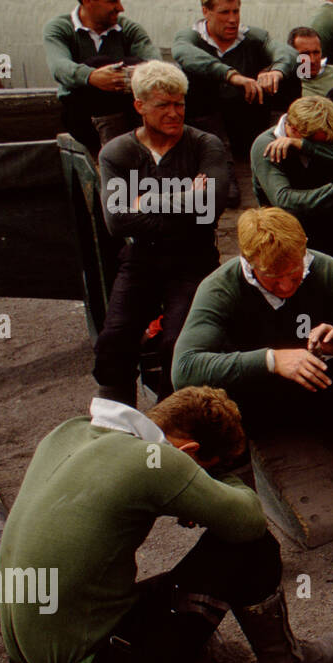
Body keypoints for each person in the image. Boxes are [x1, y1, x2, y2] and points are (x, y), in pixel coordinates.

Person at [1, 386, 333, 663]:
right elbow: (248, 521)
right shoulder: (157, 459)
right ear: (190, 450)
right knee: (250, 548)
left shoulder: (70, 432)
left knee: (165, 590)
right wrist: (211, 483)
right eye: (203, 467)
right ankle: (284, 662)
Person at [171, 208, 333, 571]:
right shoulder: (220, 286)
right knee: (200, 406)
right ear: (248, 262)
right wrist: (270, 360)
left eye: (294, 273)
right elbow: (184, 368)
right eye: (272, 278)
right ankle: (243, 532)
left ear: (304, 251)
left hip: (317, 390)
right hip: (256, 406)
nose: (286, 286)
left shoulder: (323, 268)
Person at [93, 61, 229, 407]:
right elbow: (117, 221)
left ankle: (171, 422)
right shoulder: (118, 152)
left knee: (179, 343)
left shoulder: (204, 145)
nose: (174, 112)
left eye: (179, 103)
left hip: (194, 257)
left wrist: (146, 200)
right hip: (142, 258)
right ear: (140, 106)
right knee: (114, 339)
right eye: (163, 105)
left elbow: (210, 207)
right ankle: (116, 422)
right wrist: (187, 198)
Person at [172, 0, 299, 177]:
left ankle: (279, 147)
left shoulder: (254, 37)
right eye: (224, 12)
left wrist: (277, 71)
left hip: (245, 116)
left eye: (236, 11)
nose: (232, 19)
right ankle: (221, 165)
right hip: (208, 123)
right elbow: (183, 54)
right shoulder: (191, 37)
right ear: (206, 12)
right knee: (192, 77)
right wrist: (232, 76)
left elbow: (286, 52)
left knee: (289, 73)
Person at [250, 94, 333, 263]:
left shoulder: (330, 127)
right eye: (318, 142)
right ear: (294, 130)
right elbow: (284, 200)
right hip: (289, 235)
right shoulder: (265, 145)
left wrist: (304, 146)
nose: (326, 143)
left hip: (330, 225)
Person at [43, 0, 159, 154]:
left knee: (133, 69)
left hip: (126, 112)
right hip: (82, 116)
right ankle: (112, 153)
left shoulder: (128, 29)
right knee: (97, 65)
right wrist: (92, 77)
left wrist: (122, 76)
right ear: (87, 0)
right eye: (112, 1)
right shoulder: (59, 28)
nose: (120, 8)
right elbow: (59, 67)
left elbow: (154, 64)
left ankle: (117, 152)